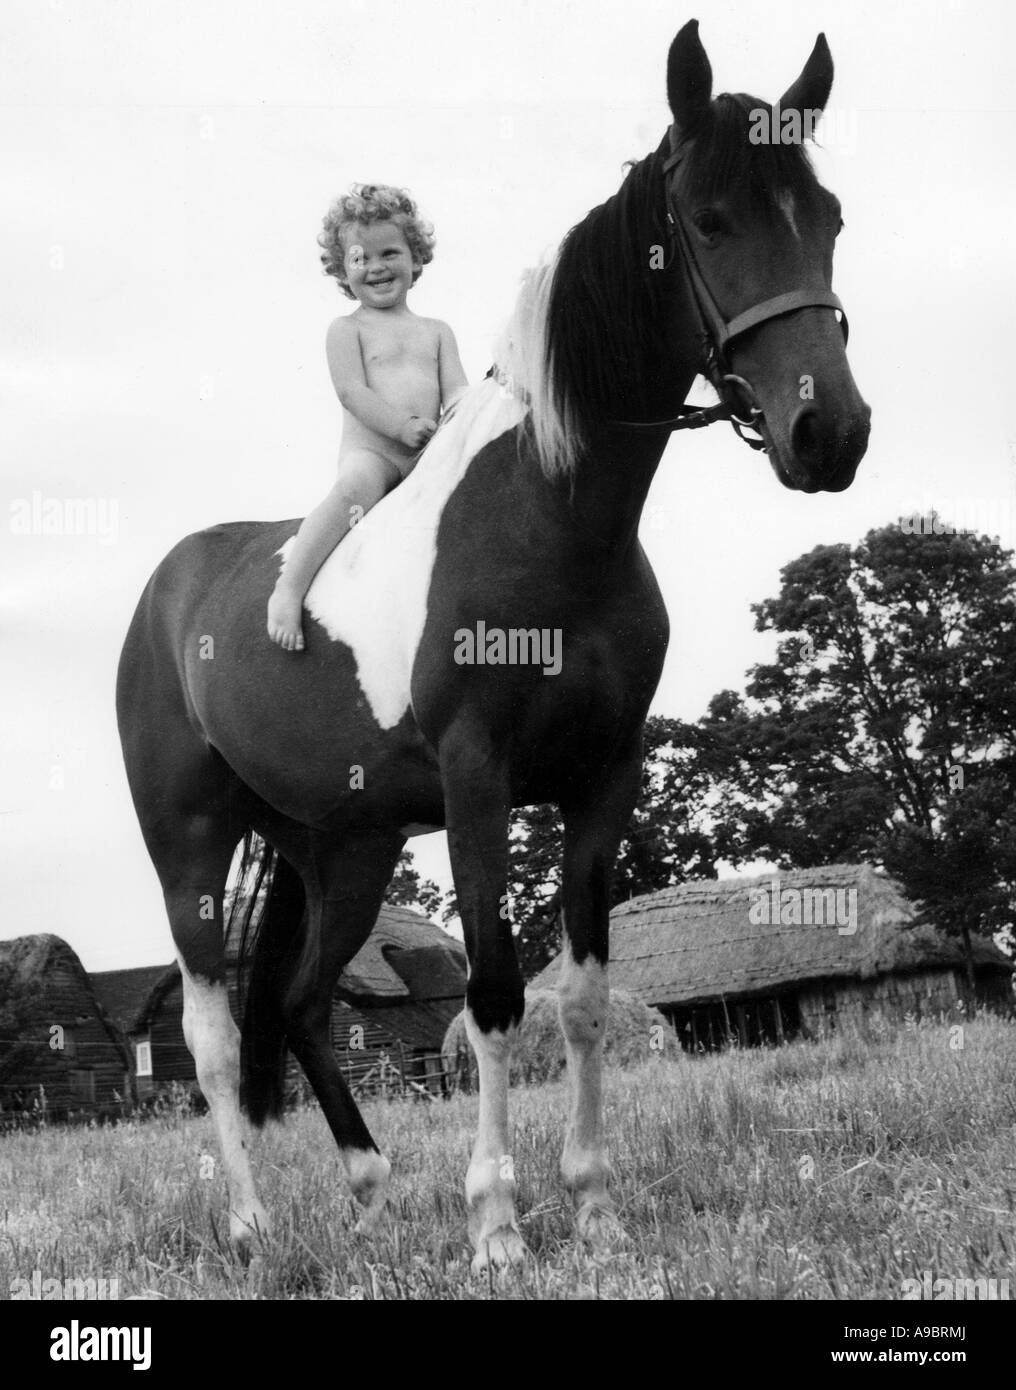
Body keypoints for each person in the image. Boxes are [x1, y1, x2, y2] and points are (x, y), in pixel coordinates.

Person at [267, 183, 468, 650]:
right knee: (353, 492)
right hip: (374, 454)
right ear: (342, 270)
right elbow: (351, 391)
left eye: (390, 253)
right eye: (360, 258)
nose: (376, 267)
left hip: (428, 456)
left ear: (415, 259)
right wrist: (401, 427)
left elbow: (457, 390)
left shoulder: (437, 332)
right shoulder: (348, 329)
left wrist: (467, 416)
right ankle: (289, 588)